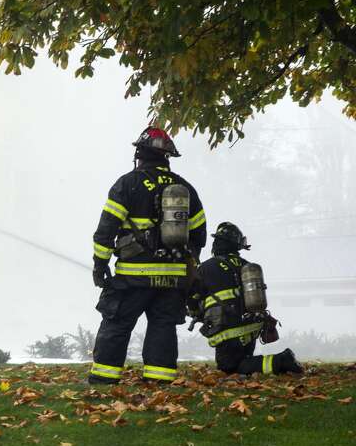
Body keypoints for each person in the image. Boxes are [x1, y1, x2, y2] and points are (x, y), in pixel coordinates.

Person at [89, 126, 208, 384]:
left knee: (117, 323)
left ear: (139, 153)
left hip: (134, 276)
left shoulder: (128, 184)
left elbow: (106, 230)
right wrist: (186, 266)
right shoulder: (184, 188)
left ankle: (104, 381)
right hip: (173, 278)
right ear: (167, 157)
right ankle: (159, 381)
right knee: (163, 326)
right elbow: (199, 235)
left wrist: (100, 265)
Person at [189, 222, 303, 375]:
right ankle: (276, 362)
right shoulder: (247, 266)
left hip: (228, 329)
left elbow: (193, 295)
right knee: (242, 361)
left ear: (217, 243)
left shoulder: (207, 267)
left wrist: (195, 311)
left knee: (229, 367)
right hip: (252, 328)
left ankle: (283, 360)